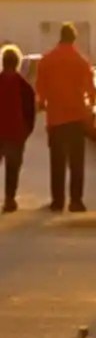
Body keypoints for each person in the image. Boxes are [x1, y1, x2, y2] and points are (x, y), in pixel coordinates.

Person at [36, 23, 96, 213]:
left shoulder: (47, 60)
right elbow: (91, 90)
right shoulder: (81, 61)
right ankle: (76, 201)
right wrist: (90, 107)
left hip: (55, 119)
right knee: (77, 162)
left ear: (60, 37)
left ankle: (57, 201)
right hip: (77, 117)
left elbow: (40, 90)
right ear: (74, 39)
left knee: (57, 161)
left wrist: (43, 104)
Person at [0, 44, 36, 213]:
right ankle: (9, 199)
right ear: (18, 63)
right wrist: (25, 132)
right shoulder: (25, 87)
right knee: (12, 168)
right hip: (15, 134)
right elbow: (30, 114)